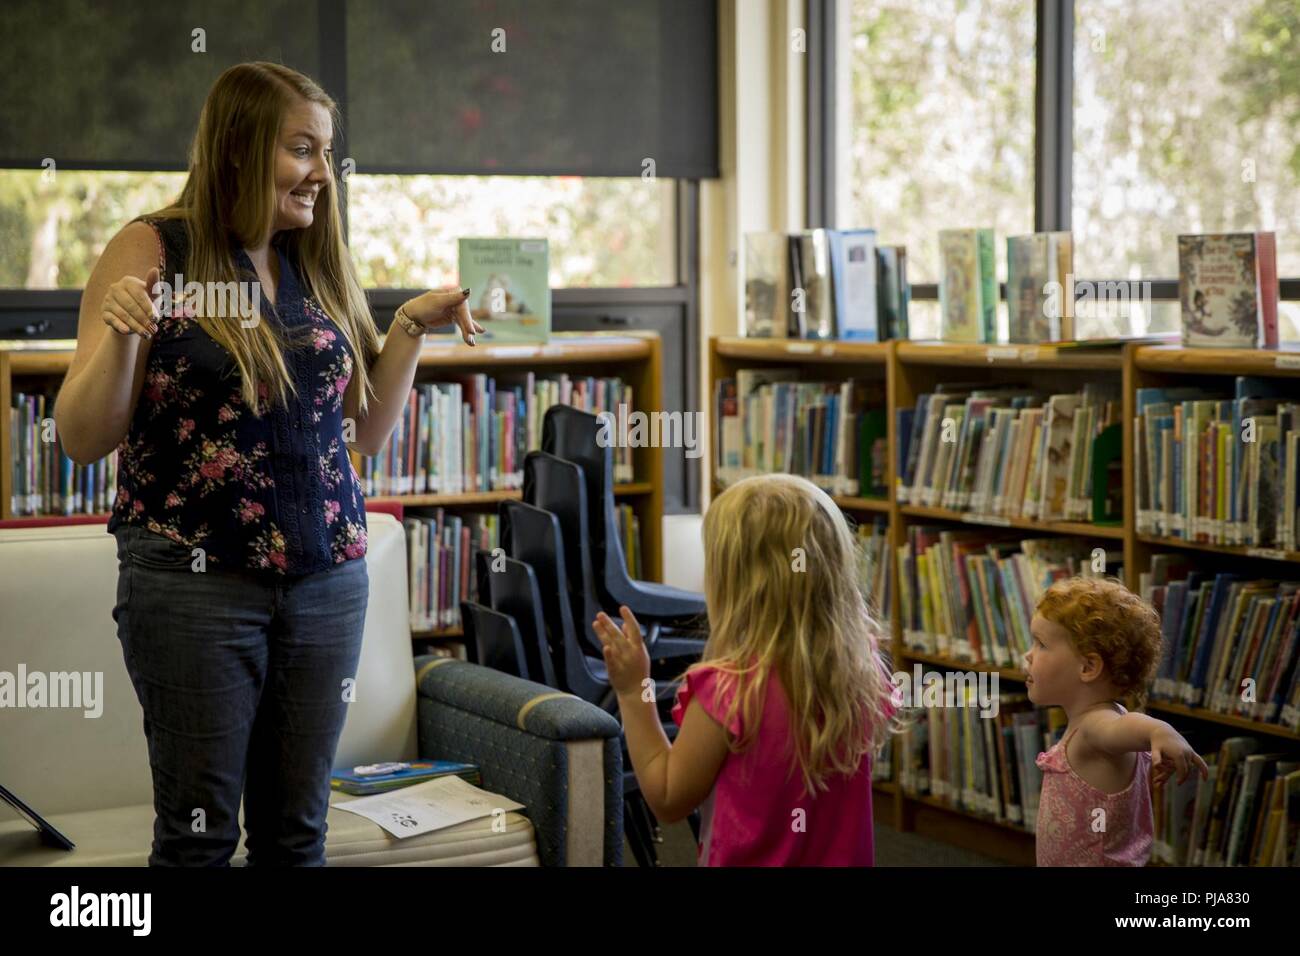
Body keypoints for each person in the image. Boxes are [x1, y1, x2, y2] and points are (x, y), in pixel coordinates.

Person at [53, 61, 485, 866]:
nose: (323, 172)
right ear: (239, 149)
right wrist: (120, 336)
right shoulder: (153, 248)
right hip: (192, 588)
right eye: (302, 149)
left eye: (325, 150)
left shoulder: (313, 259)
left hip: (328, 584)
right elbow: (83, 437)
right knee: (199, 839)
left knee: (297, 838)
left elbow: (362, 433)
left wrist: (410, 332)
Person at [594, 473, 902, 865]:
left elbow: (668, 798)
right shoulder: (863, 669)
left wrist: (632, 690)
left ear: (735, 584)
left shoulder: (729, 690)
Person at [1026, 576, 1209, 866]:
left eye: (1041, 644)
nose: (1028, 655)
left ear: (1087, 667)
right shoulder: (1093, 720)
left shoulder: (1095, 726)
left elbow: (1123, 727)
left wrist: (1160, 730)